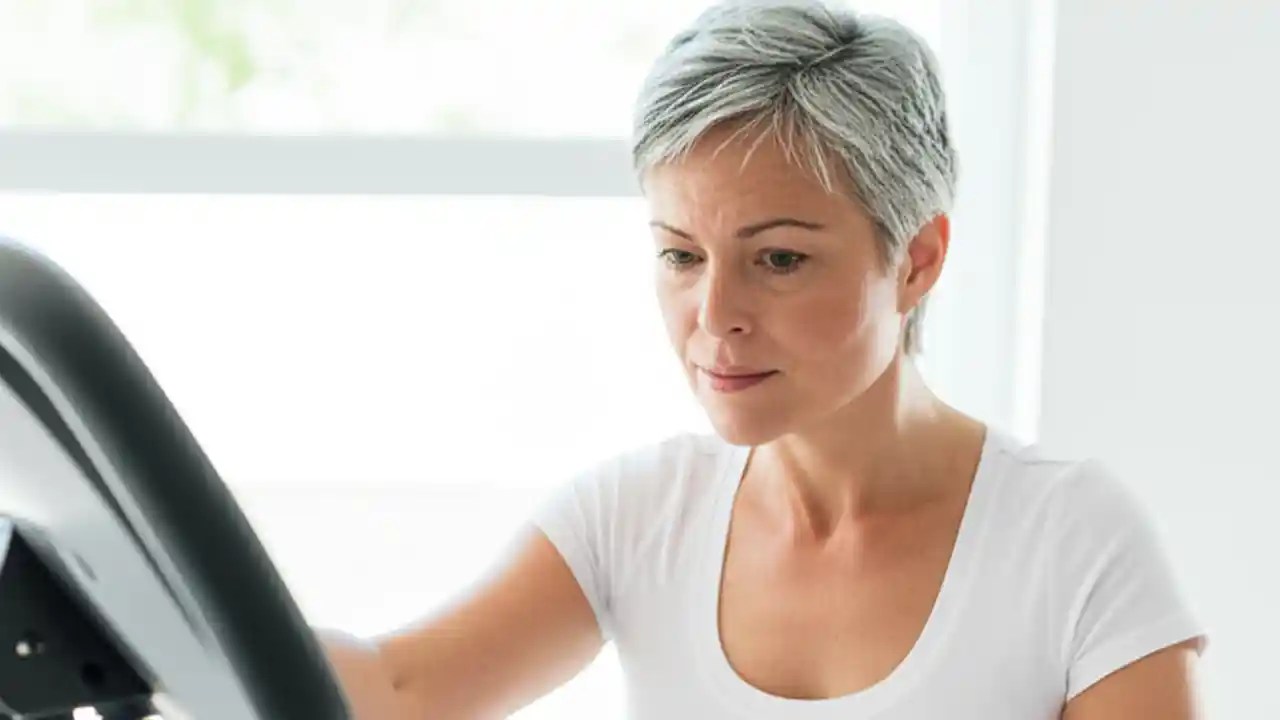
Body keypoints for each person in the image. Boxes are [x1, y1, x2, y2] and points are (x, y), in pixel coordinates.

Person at [318, 1, 1208, 717]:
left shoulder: (1071, 540)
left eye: (778, 259)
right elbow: (398, 692)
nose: (714, 317)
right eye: (681, 255)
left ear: (918, 260)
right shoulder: (633, 519)